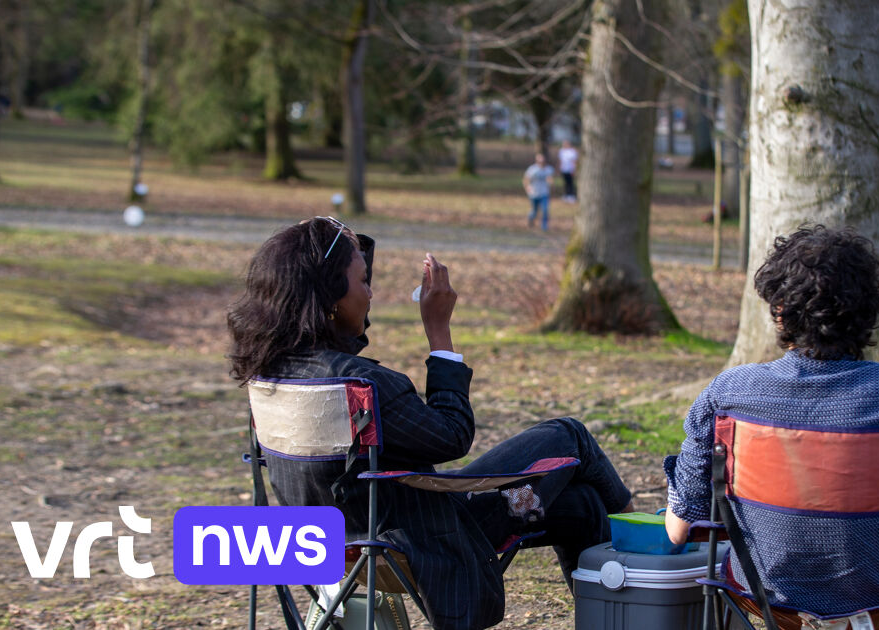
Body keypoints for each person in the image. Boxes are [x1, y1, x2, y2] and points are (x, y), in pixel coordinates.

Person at [227, 218, 631, 630]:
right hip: (414, 542)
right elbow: (453, 436)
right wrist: (438, 331)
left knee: (582, 506)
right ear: (331, 297)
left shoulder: (270, 374)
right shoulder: (364, 387)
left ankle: (619, 599)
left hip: (333, 540)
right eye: (364, 281)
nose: (371, 294)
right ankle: (644, 546)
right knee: (569, 434)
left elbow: (342, 332)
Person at [662, 225, 879, 616]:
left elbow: (679, 528)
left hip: (765, 597)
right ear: (869, 310)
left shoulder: (728, 395)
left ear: (780, 312)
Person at [523, 153, 554, 231]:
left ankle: (544, 226)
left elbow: (550, 179)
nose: (541, 163)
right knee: (534, 211)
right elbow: (526, 180)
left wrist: (550, 182)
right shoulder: (532, 169)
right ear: (536, 161)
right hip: (534, 193)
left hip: (544, 193)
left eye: (543, 161)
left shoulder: (548, 169)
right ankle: (530, 219)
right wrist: (528, 188)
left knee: (545, 209)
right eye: (539, 161)